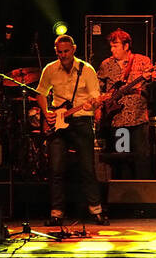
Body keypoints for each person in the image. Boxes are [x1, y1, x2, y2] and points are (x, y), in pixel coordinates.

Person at [38, 34, 107, 226]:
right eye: (59, 52)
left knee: (87, 168)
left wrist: (91, 105)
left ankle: (96, 210)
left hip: (81, 121)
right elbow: (41, 93)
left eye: (66, 51)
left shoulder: (87, 70)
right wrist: (46, 112)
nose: (63, 55)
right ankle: (57, 212)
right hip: (58, 123)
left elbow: (96, 97)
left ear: (74, 49)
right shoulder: (50, 69)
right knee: (56, 169)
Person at [96, 29, 156, 179]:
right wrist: (100, 104)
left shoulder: (143, 61)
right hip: (117, 120)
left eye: (115, 46)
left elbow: (151, 85)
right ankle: (122, 194)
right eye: (111, 46)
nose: (112, 50)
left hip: (138, 118)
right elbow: (97, 87)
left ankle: (142, 195)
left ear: (126, 46)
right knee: (121, 158)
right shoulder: (106, 64)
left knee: (141, 158)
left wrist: (151, 78)